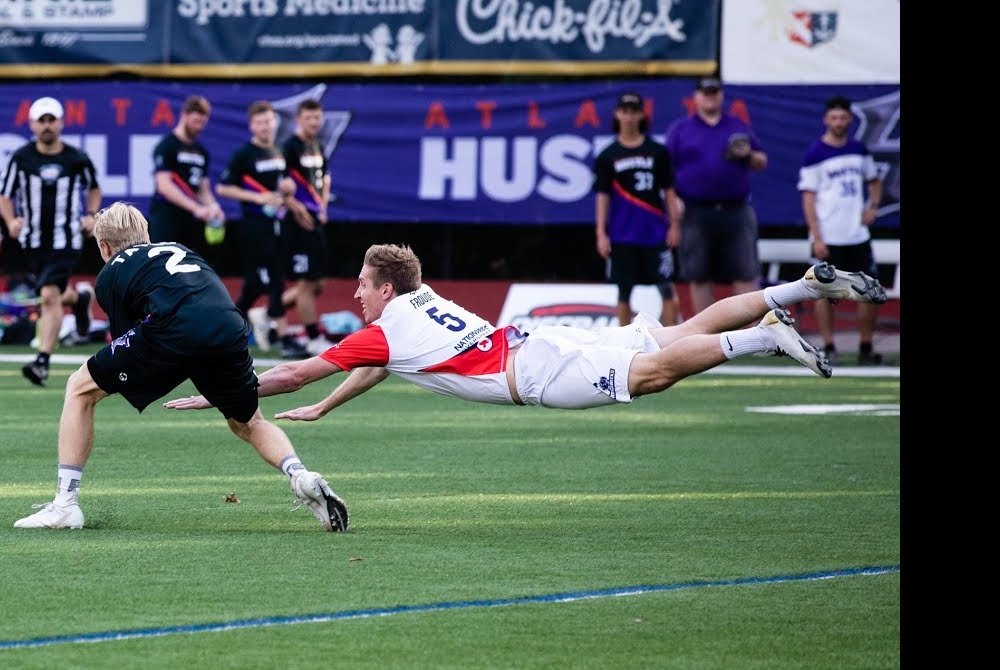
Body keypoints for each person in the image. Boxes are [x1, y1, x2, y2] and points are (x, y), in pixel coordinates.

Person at [163, 244, 887, 422]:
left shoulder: (383, 329)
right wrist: (327, 410)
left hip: (537, 374)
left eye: (361, 285)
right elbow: (383, 367)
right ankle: (797, 287)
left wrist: (222, 396)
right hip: (537, 344)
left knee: (658, 374)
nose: (354, 294)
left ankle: (767, 336)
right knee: (676, 332)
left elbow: (290, 372)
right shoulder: (422, 301)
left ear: (386, 288)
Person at [12, 202, 348, 532]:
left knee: (80, 387)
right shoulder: (178, 248)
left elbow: (127, 337)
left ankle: (65, 505)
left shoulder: (111, 271)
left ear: (104, 247)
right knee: (248, 422)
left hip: (175, 330)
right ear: (146, 234)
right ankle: (300, 475)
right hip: (229, 327)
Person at [0, 96, 103, 386]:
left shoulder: (76, 158)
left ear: (61, 123)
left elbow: (94, 188)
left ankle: (42, 360)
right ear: (32, 124)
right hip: (33, 241)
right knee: (55, 292)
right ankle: (80, 299)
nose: (46, 126)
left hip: (66, 238)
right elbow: (4, 194)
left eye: (51, 120)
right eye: (41, 120)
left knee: (48, 296)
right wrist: (11, 221)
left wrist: (92, 215)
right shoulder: (21, 158)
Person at [216, 100, 313, 359]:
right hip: (254, 227)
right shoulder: (244, 154)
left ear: (275, 123)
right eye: (260, 122)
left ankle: (221, 331)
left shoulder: (278, 151)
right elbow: (223, 187)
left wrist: (289, 194)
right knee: (275, 282)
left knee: (255, 286)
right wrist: (257, 199)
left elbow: (279, 186)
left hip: (278, 224)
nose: (265, 126)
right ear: (251, 125)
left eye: (269, 121)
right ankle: (283, 338)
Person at [665, 77, 768, 316]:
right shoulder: (681, 129)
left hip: (736, 209)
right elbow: (665, 171)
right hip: (695, 210)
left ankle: (753, 335)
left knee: (745, 272)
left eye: (714, 92)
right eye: (705, 93)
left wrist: (748, 154)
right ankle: (706, 333)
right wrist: (674, 201)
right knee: (699, 275)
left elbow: (762, 161)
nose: (710, 97)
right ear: (696, 97)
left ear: (721, 96)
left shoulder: (737, 126)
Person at [798, 95, 886, 366]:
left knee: (868, 292)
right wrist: (817, 236)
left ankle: (865, 345)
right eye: (833, 118)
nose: (838, 122)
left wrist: (873, 206)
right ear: (826, 120)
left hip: (856, 235)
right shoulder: (815, 153)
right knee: (824, 293)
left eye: (843, 118)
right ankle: (828, 345)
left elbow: (874, 181)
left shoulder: (859, 150)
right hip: (830, 235)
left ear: (850, 119)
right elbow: (809, 198)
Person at [594, 92, 683, 327]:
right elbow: (602, 196)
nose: (629, 117)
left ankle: (672, 339)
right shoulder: (608, 156)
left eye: (634, 111)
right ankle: (624, 339)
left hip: (654, 231)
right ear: (617, 114)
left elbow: (669, 191)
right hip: (622, 233)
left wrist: (674, 224)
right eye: (625, 111)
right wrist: (601, 233)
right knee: (623, 290)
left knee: (665, 286)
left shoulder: (657, 152)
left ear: (642, 114)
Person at [279, 98, 335, 355]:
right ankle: (313, 338)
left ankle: (269, 310)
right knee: (304, 283)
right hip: (296, 222)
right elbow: (279, 185)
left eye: (317, 117)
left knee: (318, 283)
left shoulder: (317, 145)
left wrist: (322, 206)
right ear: (298, 119)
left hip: (315, 219)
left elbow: (325, 177)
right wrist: (296, 208)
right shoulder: (290, 147)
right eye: (309, 118)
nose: (314, 122)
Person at [148, 95, 224, 251]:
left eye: (203, 123)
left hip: (189, 219)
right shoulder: (167, 145)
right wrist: (196, 208)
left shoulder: (201, 151)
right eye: (196, 122)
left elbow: (203, 189)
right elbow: (164, 186)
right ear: (184, 116)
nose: (199, 127)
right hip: (166, 215)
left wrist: (214, 207)